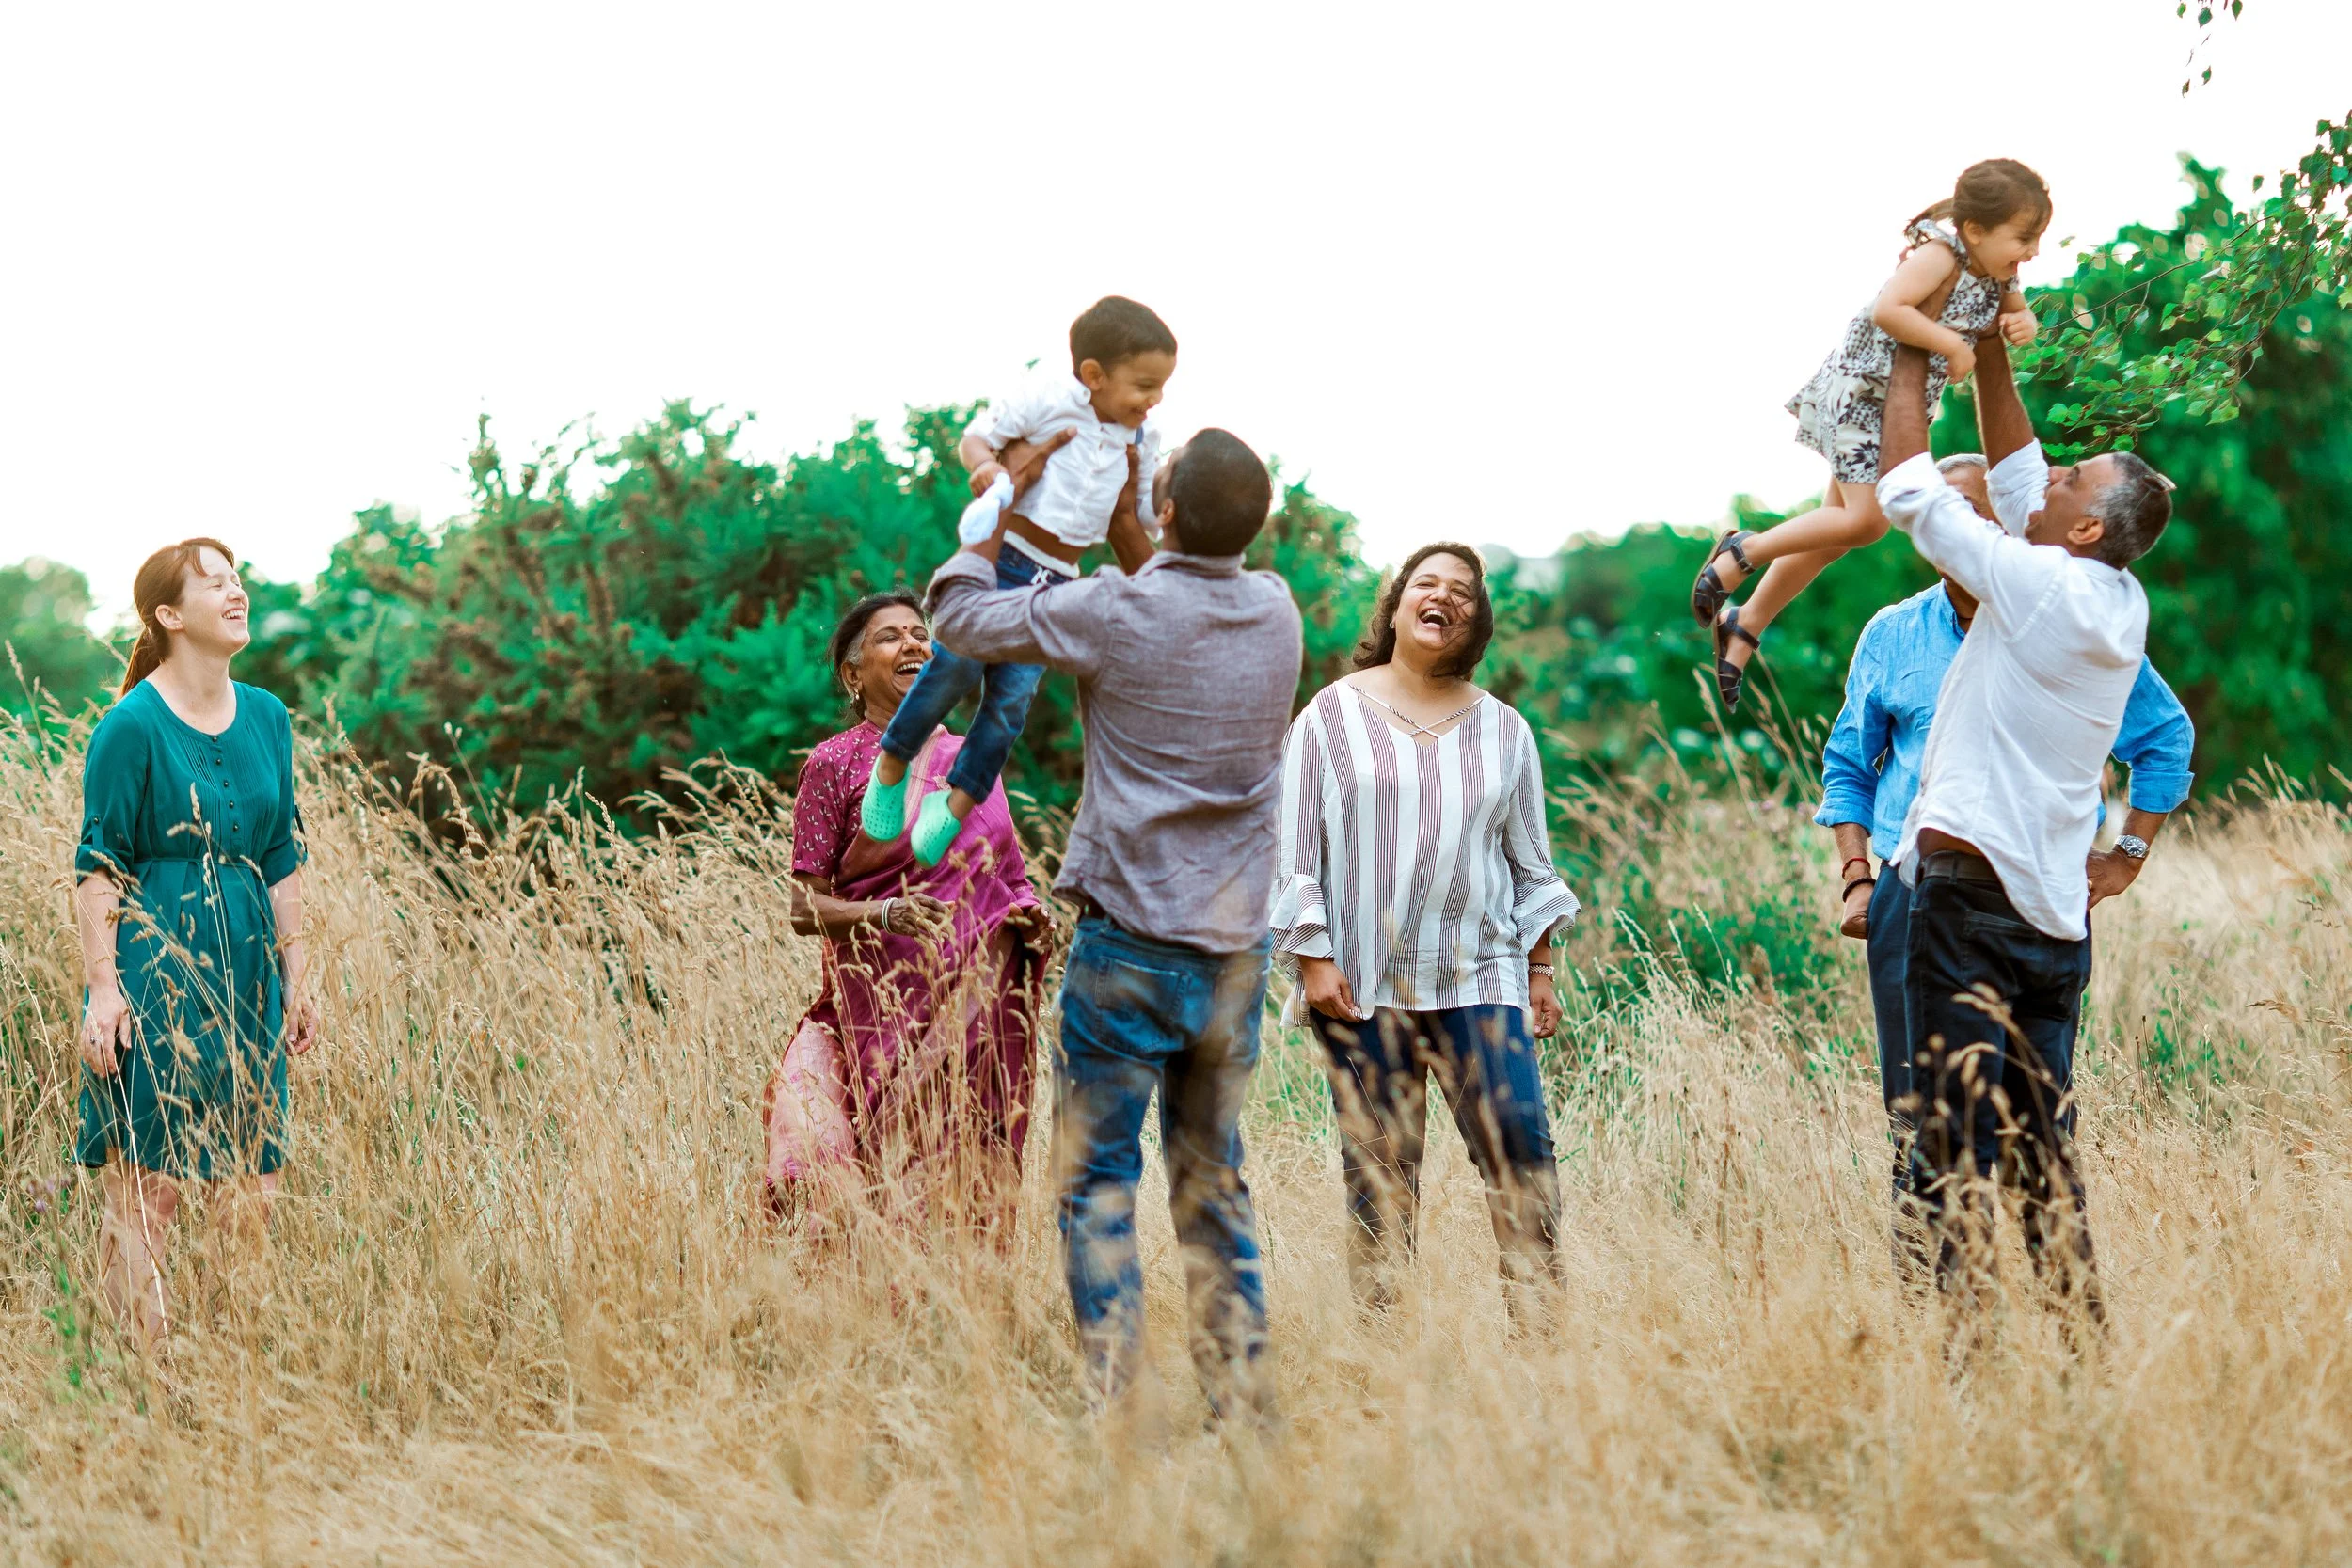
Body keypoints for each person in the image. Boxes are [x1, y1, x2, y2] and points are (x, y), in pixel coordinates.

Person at [927, 428, 1302, 1432]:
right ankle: (1242, 1411)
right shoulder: (1275, 608)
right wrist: (1151, 502)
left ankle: (1117, 1405)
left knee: (1097, 1179)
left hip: (1128, 942)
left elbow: (963, 615)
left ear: (1166, 508)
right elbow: (1176, 584)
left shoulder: (1110, 610)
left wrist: (994, 508)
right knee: (1211, 1178)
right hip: (1233, 954)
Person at [1817, 452, 2194, 1284]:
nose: (1957, 524)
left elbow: (2166, 741)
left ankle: (2011, 1360)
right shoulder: (1893, 632)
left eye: (1974, 506)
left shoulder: (2064, 611)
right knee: (1920, 1121)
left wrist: (2125, 854)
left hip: (2029, 898)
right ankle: (1937, 1323)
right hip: (1910, 897)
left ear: (2015, 522)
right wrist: (1856, 878)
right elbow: (1848, 764)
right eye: (1950, 507)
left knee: (2019, 1138)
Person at [1873, 324, 2174, 1323]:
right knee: (2043, 1162)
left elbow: (1911, 492)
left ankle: (1961, 1382)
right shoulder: (2114, 598)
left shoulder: (2036, 584)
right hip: (2050, 924)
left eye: (2071, 480)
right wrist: (1991, 344)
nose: (2049, 478)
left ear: (2084, 528)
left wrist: (1907, 341)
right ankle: (2080, 1364)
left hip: (1964, 910)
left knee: (1948, 1152)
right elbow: (2015, 476)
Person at [1269, 542, 1580, 1322]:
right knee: (1380, 1181)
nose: (1443, 597)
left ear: (1476, 622)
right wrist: (1314, 958)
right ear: (1399, 602)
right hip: (1363, 989)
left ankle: (1543, 1346)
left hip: (1480, 976)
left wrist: (1539, 968)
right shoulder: (1330, 716)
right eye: (1427, 583)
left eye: (1463, 593)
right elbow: (1295, 851)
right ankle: (1386, 1370)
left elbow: (1531, 862)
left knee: (1521, 1154)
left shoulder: (1505, 730)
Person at [73, 538, 320, 1356]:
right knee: (156, 1183)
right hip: (155, 969)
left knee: (254, 1182)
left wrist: (299, 972)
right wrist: (104, 989)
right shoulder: (129, 725)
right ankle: (143, 1368)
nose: (236, 592)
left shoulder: (269, 716)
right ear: (170, 615)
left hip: (250, 972)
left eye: (237, 579)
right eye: (215, 584)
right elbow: (98, 867)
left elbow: (282, 854)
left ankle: (230, 1360)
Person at [1692, 159, 2051, 707]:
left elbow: (2014, 312)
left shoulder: (1999, 270)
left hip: (1899, 411)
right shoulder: (1939, 255)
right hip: (1864, 393)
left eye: (2038, 238)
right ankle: (1745, 549)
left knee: (1833, 534)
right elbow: (1890, 310)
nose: (2032, 251)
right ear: (1976, 230)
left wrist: (2022, 322)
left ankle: (1745, 624)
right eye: (2025, 237)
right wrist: (1953, 345)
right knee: (1864, 523)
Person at [764, 591, 1050, 1238]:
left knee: (962, 1183)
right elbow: (804, 905)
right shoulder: (832, 765)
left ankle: (963, 1324)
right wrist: (887, 913)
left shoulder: (971, 759)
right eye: (890, 637)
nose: (914, 645)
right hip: (878, 1019)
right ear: (852, 671)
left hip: (972, 1019)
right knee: (881, 1183)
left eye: (922, 634)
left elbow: (1007, 879)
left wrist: (1028, 918)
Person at [865, 296, 1176, 867]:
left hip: (1056, 586)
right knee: (955, 664)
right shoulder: (1049, 399)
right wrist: (984, 466)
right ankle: (892, 763)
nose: (1155, 401)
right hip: (1006, 559)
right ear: (1093, 375)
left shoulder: (1141, 437)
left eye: (1162, 388)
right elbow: (977, 437)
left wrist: (1174, 508)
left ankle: (953, 804)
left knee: (1012, 702)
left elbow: (1145, 511)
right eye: (1144, 386)